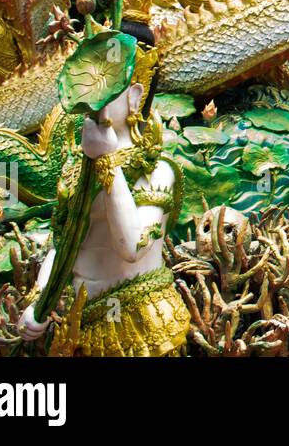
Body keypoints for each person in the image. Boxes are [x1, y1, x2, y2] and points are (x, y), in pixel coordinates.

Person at [18, 28, 189, 356]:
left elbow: (131, 246)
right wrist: (40, 300)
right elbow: (66, 244)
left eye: (110, 87)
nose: (96, 97)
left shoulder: (157, 169)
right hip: (79, 320)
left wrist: (107, 162)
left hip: (136, 318)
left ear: (135, 97)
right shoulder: (75, 168)